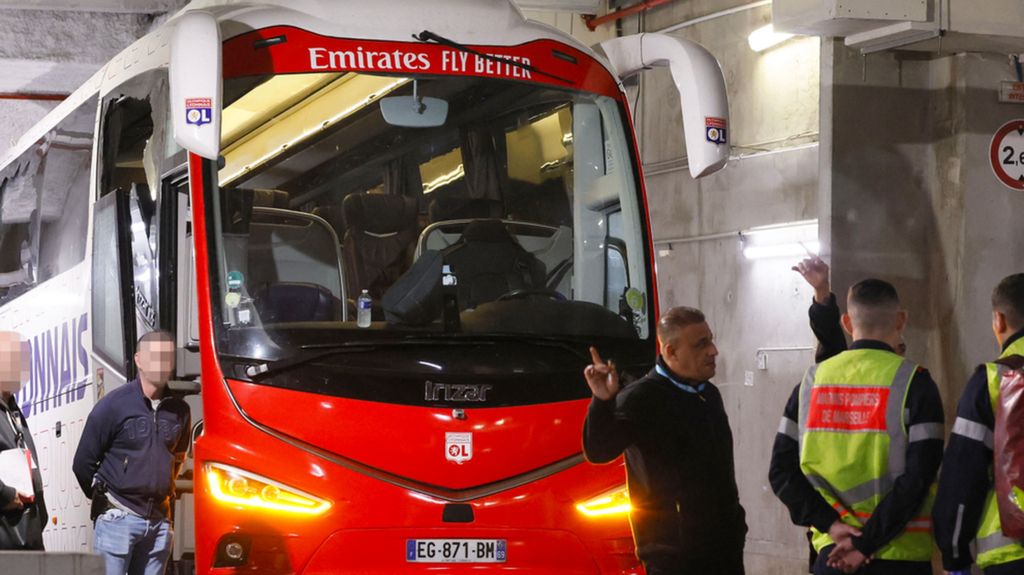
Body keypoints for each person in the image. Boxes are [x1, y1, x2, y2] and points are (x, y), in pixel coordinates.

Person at [769, 279, 944, 574]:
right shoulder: (916, 383)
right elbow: (918, 478)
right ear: (901, 320)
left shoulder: (810, 384)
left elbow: (781, 473)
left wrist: (832, 526)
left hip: (834, 555)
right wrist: (866, 543)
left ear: (847, 323)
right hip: (900, 558)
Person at [582, 306, 747, 575]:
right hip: (673, 558)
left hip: (724, 550)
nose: (713, 351)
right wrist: (602, 402)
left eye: (711, 340)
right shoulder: (641, 398)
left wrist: (736, 524)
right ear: (670, 351)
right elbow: (598, 450)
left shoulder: (709, 395)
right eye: (701, 344)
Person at [73, 330, 190, 575]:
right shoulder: (113, 405)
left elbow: (178, 459)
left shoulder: (180, 410)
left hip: (159, 522)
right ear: (138, 359)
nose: (162, 363)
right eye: (155, 356)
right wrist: (107, 503)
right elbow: (82, 462)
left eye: (167, 357)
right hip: (118, 518)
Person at [933, 273, 1024, 575]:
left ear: (999, 321)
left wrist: (954, 553)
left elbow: (963, 473)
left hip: (1011, 553)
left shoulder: (993, 380)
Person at [0, 331, 46, 550]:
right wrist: (5, 494)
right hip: (7, 535)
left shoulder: (12, 409)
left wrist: (41, 515)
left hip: (27, 530)